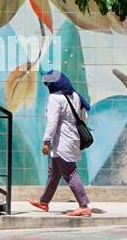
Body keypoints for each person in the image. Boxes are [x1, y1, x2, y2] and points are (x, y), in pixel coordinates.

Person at [27, 70, 92, 217]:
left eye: (49, 84)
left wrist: (46, 142)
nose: (48, 86)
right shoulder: (75, 96)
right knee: (54, 173)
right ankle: (44, 202)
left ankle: (84, 206)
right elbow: (84, 116)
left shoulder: (55, 99)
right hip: (72, 139)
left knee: (70, 173)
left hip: (62, 142)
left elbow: (52, 123)